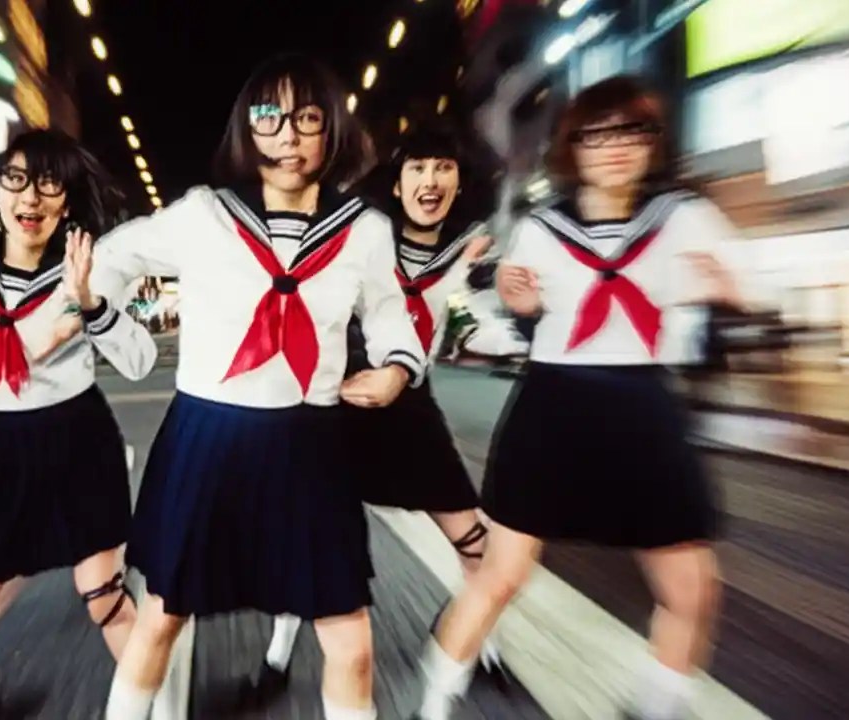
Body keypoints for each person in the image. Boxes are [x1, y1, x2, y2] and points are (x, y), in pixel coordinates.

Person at [73, 54, 426, 720]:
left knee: (350, 644)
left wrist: (397, 370)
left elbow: (388, 314)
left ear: (333, 131)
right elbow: (114, 258)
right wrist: (93, 305)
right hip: (210, 437)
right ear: (247, 129)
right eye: (269, 116)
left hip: (310, 445)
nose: (288, 133)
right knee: (163, 618)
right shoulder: (203, 216)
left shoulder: (364, 232)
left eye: (307, 117)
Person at [414, 75, 748, 720]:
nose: (613, 147)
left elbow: (748, 286)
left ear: (653, 141)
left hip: (644, 405)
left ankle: (659, 705)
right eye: (596, 135)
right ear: (574, 147)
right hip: (555, 405)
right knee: (502, 574)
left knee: (692, 588)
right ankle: (434, 699)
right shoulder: (542, 227)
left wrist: (729, 288)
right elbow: (521, 313)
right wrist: (522, 304)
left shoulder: (684, 216)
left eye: (631, 131)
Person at [0, 130, 154, 708]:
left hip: (80, 438)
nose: (30, 198)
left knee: (101, 593)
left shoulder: (88, 261)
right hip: (14, 441)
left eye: (48, 184)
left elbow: (138, 362)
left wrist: (90, 305)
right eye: (16, 179)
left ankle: (151, 702)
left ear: (66, 198)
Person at [258, 127, 516, 694]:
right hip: (342, 402)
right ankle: (276, 658)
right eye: (417, 168)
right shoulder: (360, 238)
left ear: (458, 180)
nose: (431, 180)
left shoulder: (469, 246)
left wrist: (502, 297)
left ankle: (480, 644)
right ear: (396, 185)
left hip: (412, 410)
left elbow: (485, 304)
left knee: (475, 540)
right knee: (313, 538)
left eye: (443, 167)